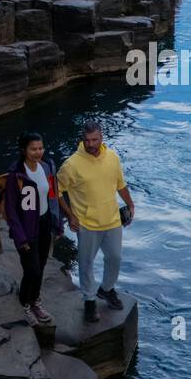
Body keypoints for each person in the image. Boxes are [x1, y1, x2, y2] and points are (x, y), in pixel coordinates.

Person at [57, 120, 134, 323]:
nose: (91, 144)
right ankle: (89, 301)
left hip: (112, 220)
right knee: (86, 264)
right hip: (87, 224)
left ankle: (106, 289)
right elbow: (56, 192)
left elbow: (120, 184)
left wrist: (131, 204)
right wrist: (70, 215)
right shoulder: (71, 164)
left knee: (115, 258)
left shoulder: (112, 157)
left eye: (95, 139)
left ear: (102, 138)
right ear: (83, 139)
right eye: (87, 140)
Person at [4, 131, 62, 327]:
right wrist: (20, 237)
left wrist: (57, 222)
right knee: (33, 270)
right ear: (23, 150)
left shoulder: (47, 167)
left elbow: (52, 195)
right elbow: (10, 209)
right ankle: (25, 303)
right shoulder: (17, 175)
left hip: (45, 223)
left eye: (40, 148)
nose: (38, 152)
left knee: (42, 264)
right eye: (33, 149)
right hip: (27, 228)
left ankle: (35, 300)